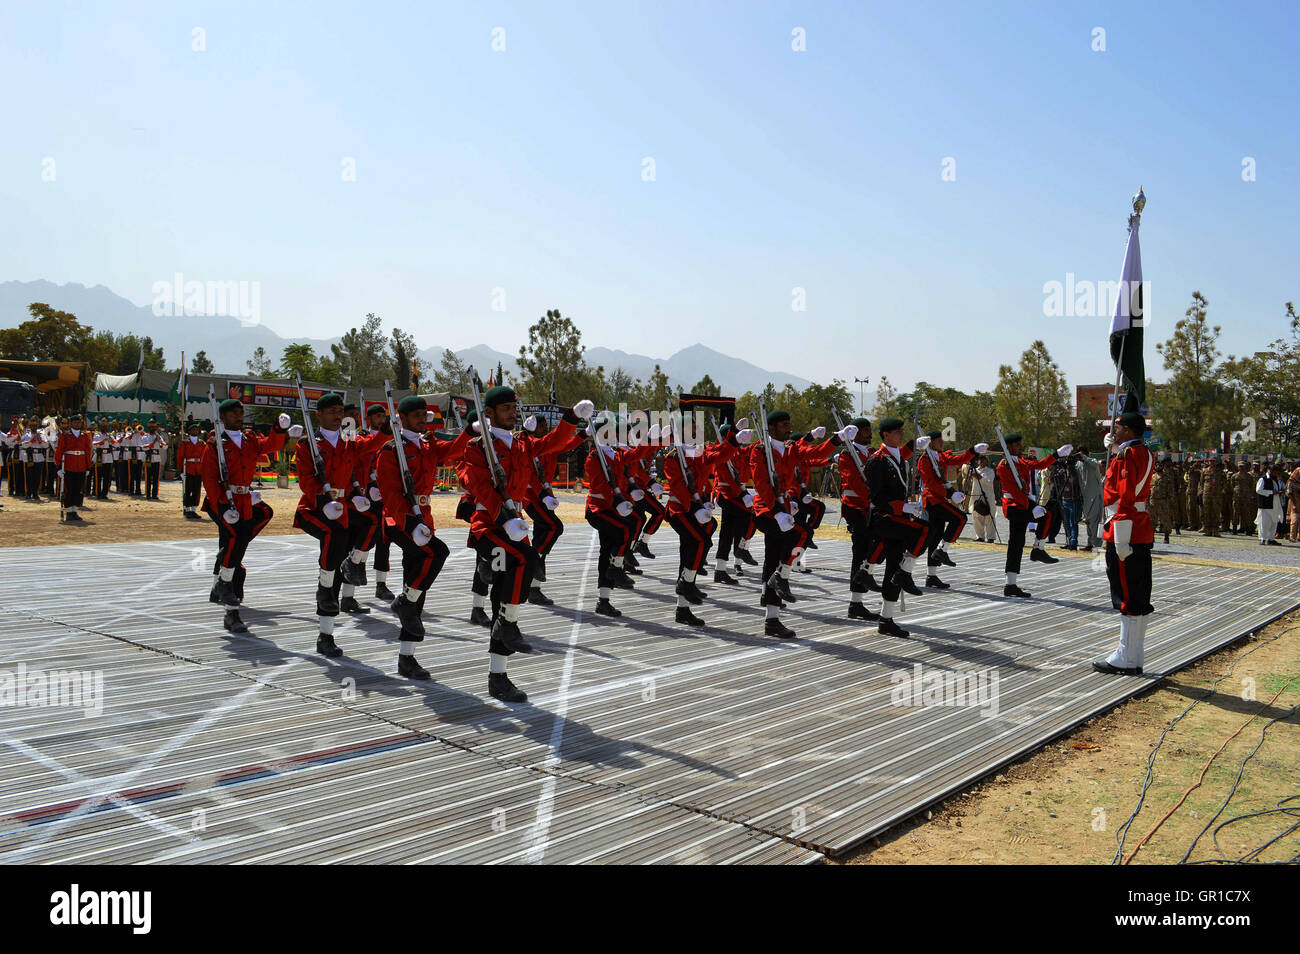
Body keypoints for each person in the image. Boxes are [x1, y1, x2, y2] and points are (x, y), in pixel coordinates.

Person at [459, 387, 589, 702]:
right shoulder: (478, 447)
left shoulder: (522, 443)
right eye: (505, 408)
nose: (512, 412)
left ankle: (498, 676)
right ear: (488, 413)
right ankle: (508, 618)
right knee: (524, 560)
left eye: (513, 407)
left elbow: (553, 443)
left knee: (503, 599)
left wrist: (571, 418)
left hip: (516, 523)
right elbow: (475, 484)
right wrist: (503, 519)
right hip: (489, 525)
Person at [375, 395, 475, 680]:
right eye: (417, 415)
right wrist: (408, 520)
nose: (422, 420)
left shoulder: (427, 445)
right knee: (438, 552)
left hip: (423, 519)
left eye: (424, 415)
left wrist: (471, 430)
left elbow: (455, 450)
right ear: (402, 418)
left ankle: (407, 657)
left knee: (416, 583)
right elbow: (391, 493)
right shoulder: (391, 449)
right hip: (400, 519)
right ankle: (404, 602)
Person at [748, 411, 849, 638]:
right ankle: (781, 576)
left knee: (773, 556)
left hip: (782, 507)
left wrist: (836, 440)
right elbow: (762, 484)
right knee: (802, 534)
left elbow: (814, 452)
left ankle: (771, 617)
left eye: (788, 424)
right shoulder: (760, 450)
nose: (787, 428)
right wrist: (776, 511)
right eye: (784, 425)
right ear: (771, 428)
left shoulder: (790, 449)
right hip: (765, 508)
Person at [202, 400, 300, 633]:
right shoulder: (216, 444)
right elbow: (209, 478)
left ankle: (224, 573)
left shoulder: (249, 440)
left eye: (241, 412)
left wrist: (280, 428)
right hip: (222, 502)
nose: (239, 416)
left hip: (244, 501)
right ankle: (230, 611)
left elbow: (270, 444)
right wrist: (224, 506)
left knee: (240, 540)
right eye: (234, 413)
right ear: (223, 417)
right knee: (236, 544)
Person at [661, 417, 750, 626]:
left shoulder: (701, 452)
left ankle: (682, 608)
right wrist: (693, 491)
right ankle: (687, 584)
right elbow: (676, 484)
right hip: (678, 509)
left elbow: (721, 454)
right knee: (701, 542)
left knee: (689, 552)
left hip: (694, 508)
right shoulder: (673, 457)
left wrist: (735, 438)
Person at [1092, 412, 1156, 676]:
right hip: (1137, 529)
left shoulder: (1128, 456)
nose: (1115, 431)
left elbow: (1125, 496)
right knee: (1138, 595)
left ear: (1128, 430)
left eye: (1118, 428)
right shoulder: (1143, 452)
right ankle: (1133, 655)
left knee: (1127, 595)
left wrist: (1119, 536)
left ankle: (1125, 657)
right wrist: (1116, 450)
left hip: (1125, 530)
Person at [863, 418, 927, 637]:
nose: (901, 434)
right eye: (897, 432)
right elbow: (877, 497)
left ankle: (886, 619)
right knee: (923, 530)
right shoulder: (877, 460)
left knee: (892, 568)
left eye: (902, 431)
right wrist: (903, 507)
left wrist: (908, 507)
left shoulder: (899, 459)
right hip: (884, 518)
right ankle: (906, 572)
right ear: (886, 435)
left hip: (896, 518)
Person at [518, 413, 585, 605]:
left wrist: (584, 434)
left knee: (542, 540)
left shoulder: (549, 445)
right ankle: (534, 560)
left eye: (547, 425)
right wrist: (542, 495)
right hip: (531, 497)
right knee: (554, 527)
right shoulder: (527, 446)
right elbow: (530, 476)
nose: (545, 428)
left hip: (545, 497)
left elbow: (568, 444)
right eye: (542, 425)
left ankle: (534, 588)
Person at [996, 432, 1071, 598]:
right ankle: (1036, 552)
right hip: (1014, 505)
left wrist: (1057, 454)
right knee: (1023, 536)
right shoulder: (1003, 465)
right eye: (1017, 445)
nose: (1020, 447)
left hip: (1023, 504)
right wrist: (1032, 506)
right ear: (1008, 447)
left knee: (1019, 541)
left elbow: (1039, 464)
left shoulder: (1020, 461)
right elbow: (1014, 492)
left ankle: (1013, 581)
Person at [915, 429, 985, 589]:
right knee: (960, 518)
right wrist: (950, 492)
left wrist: (973, 450)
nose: (942, 443)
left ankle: (931, 575)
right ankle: (943, 550)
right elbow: (930, 483)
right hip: (932, 500)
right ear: (930, 442)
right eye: (939, 441)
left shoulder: (940, 456)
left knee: (936, 535)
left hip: (939, 499)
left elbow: (959, 459)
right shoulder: (924, 459)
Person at [838, 417, 879, 619]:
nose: (869, 434)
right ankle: (856, 602)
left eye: (870, 430)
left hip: (869, 507)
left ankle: (858, 599)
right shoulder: (846, 455)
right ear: (856, 434)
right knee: (861, 549)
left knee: (872, 547)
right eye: (865, 431)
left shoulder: (872, 453)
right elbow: (851, 481)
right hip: (854, 508)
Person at [712, 422, 757, 583]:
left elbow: (749, 450)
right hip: (726, 493)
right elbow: (726, 477)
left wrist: (766, 439)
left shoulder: (737, 452)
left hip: (736, 493)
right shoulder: (721, 451)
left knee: (727, 532)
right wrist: (741, 493)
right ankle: (741, 548)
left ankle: (720, 569)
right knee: (750, 515)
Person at [54, 412, 93, 522]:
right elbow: (59, 451)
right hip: (69, 466)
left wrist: (88, 467)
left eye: (79, 422)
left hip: (80, 465)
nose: (77, 424)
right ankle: (69, 511)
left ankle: (74, 510)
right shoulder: (65, 436)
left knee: (78, 489)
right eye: (75, 422)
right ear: (71, 423)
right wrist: (58, 467)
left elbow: (87, 451)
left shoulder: (84, 436)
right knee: (69, 489)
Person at [1074, 447, 1103, 551]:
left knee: (1095, 520)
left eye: (1080, 455)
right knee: (1088, 521)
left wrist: (1084, 457)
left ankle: (1096, 545)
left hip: (1095, 496)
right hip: (1086, 497)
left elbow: (1096, 464)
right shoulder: (1078, 465)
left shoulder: (1092, 462)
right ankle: (1090, 544)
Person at [178, 421, 206, 518]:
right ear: (189, 431)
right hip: (188, 468)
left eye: (197, 429)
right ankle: (187, 508)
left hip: (198, 469)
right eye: (193, 429)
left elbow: (204, 457)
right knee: (188, 489)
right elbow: (180, 457)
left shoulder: (202, 443)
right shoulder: (185, 443)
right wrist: (181, 471)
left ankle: (193, 509)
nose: (195, 431)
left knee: (196, 490)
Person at [968, 454, 998, 543]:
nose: (981, 461)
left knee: (989, 516)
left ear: (986, 461)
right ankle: (980, 536)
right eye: (980, 459)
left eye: (983, 459)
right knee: (977, 516)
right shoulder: (974, 470)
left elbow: (989, 482)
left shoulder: (990, 471)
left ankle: (991, 537)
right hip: (976, 496)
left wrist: (980, 477)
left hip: (987, 496)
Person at [1256, 464, 1285, 546]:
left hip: (1275, 503)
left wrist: (1280, 492)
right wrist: (1271, 492)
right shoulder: (1263, 479)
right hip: (1266, 504)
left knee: (1274, 521)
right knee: (1264, 522)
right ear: (1271, 471)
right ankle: (1263, 538)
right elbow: (1259, 490)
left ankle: (1271, 539)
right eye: (1276, 472)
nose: (1277, 474)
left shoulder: (1276, 480)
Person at [142, 419, 167, 499]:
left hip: (157, 458)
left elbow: (165, 447)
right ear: (148, 427)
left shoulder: (159, 436)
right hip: (149, 457)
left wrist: (161, 442)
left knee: (156, 478)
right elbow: (144, 447)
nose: (152, 428)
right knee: (148, 477)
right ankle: (148, 494)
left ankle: (154, 494)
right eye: (150, 427)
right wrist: (153, 442)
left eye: (153, 427)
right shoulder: (145, 436)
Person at [1199, 458, 1224, 537]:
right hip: (1207, 495)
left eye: (1214, 461)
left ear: (1216, 462)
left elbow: (1224, 482)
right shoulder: (1204, 471)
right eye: (1211, 461)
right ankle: (1208, 530)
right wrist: (1202, 491)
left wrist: (1221, 490)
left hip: (1217, 495)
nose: (1212, 463)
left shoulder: (1220, 471)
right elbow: (1201, 482)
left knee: (1216, 512)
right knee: (1207, 512)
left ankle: (1216, 530)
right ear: (1208, 462)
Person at [1186, 460, 1202, 530]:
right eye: (1196, 462)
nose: (1198, 463)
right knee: (1191, 508)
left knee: (1200, 510)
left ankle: (1200, 524)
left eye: (1199, 462)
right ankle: (1192, 524)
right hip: (1192, 492)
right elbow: (1186, 467)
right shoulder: (1192, 470)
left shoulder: (1203, 471)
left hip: (1199, 492)